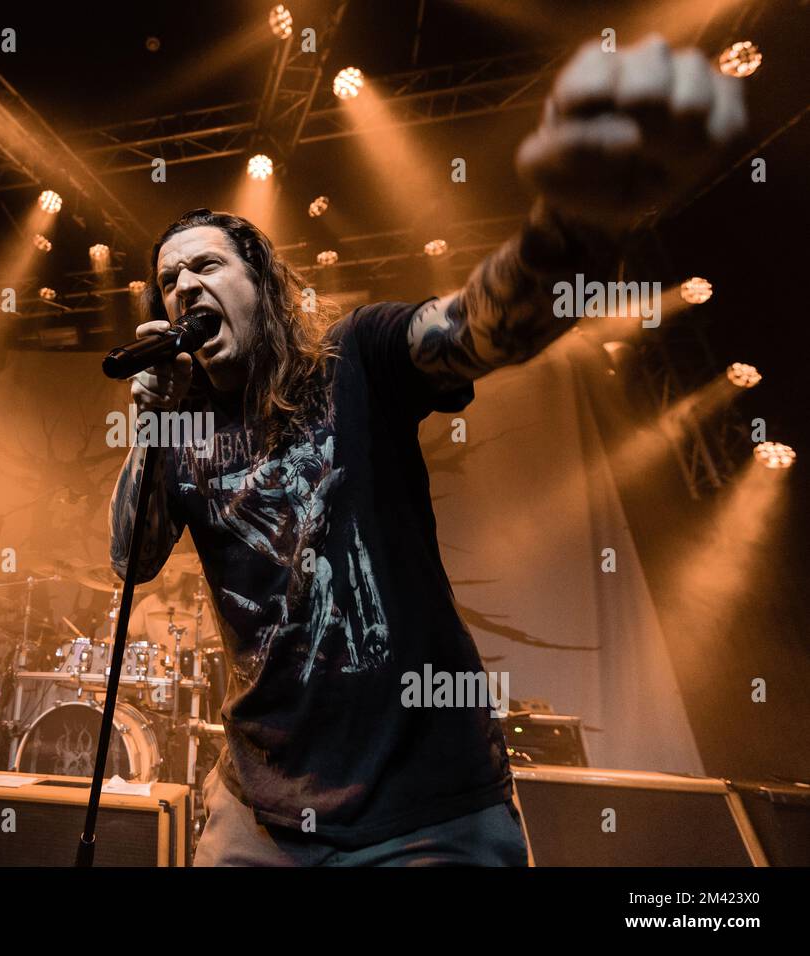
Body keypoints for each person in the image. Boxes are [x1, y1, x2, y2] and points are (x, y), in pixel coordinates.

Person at [109, 36, 745, 866]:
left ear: (262, 284)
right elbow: (131, 559)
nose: (184, 287)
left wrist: (564, 234)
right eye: (168, 280)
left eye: (205, 266)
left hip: (424, 812)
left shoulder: (356, 358)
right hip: (262, 809)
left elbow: (476, 328)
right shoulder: (183, 427)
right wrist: (151, 424)